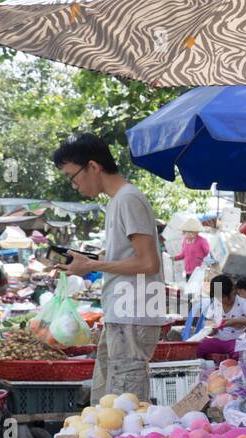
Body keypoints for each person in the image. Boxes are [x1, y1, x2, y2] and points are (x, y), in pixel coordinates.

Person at [53, 132, 165, 403]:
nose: (74, 185)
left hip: (133, 313)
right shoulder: (117, 201)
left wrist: (93, 264)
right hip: (123, 313)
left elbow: (148, 262)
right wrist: (94, 259)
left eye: (72, 175)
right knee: (107, 401)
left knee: (125, 406)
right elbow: (130, 254)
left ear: (93, 166)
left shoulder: (128, 198)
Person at [197, 273, 246, 357]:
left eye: (222, 297)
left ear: (232, 291)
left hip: (236, 340)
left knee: (240, 354)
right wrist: (212, 330)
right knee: (196, 348)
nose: (220, 300)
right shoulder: (215, 303)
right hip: (217, 340)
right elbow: (209, 325)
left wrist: (236, 321)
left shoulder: (242, 303)